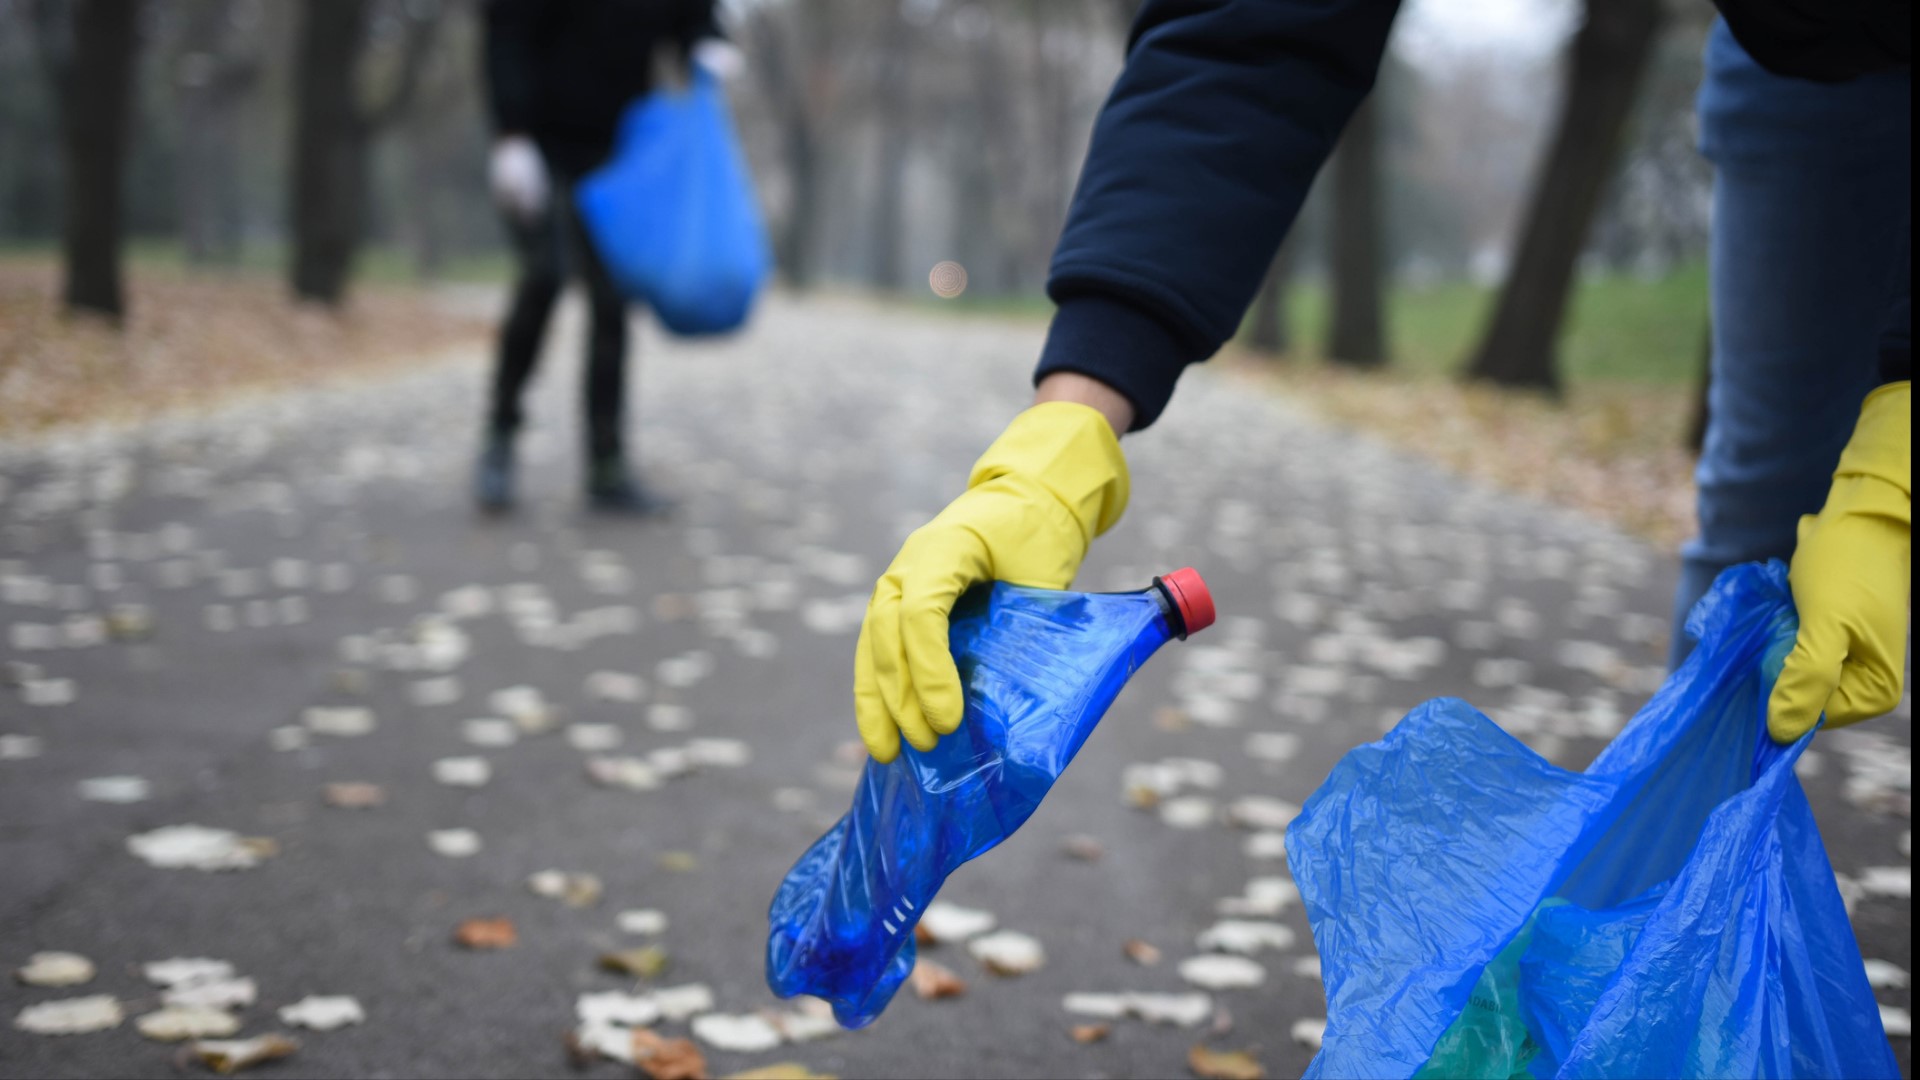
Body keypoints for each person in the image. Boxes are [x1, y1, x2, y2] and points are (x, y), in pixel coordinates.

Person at [852, 0, 1910, 764]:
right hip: (1807, 68)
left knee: (1850, 539)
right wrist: (1063, 433)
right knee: (1764, 546)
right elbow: (1245, 39)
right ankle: (1673, 957)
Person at [477, 0, 728, 514]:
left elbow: (691, 15)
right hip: (539, 139)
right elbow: (505, 29)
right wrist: (511, 133)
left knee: (612, 301)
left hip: (619, 145)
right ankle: (500, 435)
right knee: (544, 276)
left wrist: (707, 39)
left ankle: (606, 465)